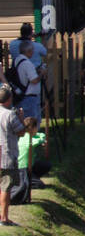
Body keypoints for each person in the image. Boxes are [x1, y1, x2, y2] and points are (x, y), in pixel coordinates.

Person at [0, 85, 24, 225]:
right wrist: (21, 118)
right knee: (6, 187)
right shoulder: (9, 115)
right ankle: (4, 218)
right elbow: (21, 131)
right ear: (9, 99)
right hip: (6, 155)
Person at [14, 40, 42, 128]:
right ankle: (31, 140)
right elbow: (34, 80)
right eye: (32, 50)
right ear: (28, 51)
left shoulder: (17, 60)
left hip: (22, 95)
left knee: (23, 122)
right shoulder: (27, 63)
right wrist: (42, 74)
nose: (33, 52)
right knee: (31, 124)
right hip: (29, 98)